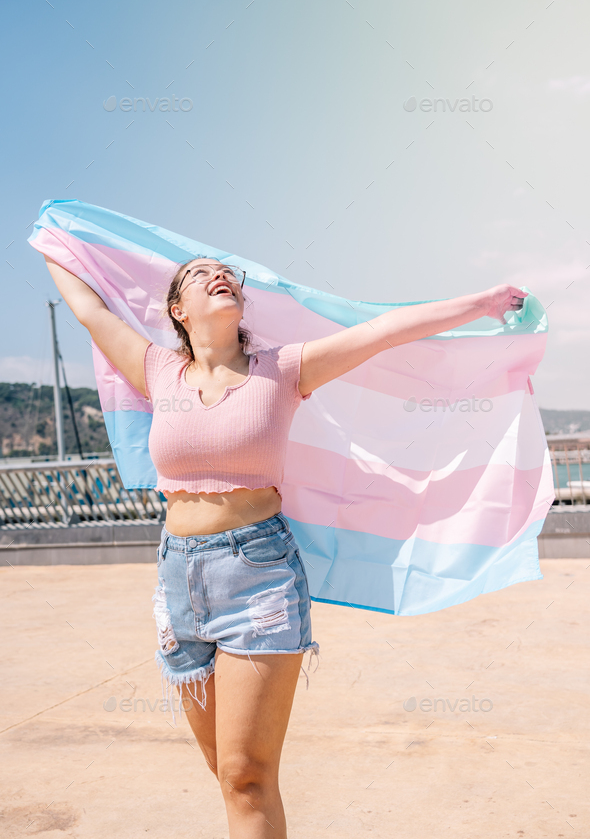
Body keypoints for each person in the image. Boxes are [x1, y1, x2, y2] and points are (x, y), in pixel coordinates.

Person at [45, 253, 526, 838]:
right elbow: (89, 309)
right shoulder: (157, 371)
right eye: (200, 275)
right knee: (225, 774)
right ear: (177, 309)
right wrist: (49, 238)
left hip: (257, 577)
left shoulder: (284, 369)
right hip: (177, 582)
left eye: (227, 273)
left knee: (247, 773)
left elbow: (382, 331)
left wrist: (481, 303)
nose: (219, 276)